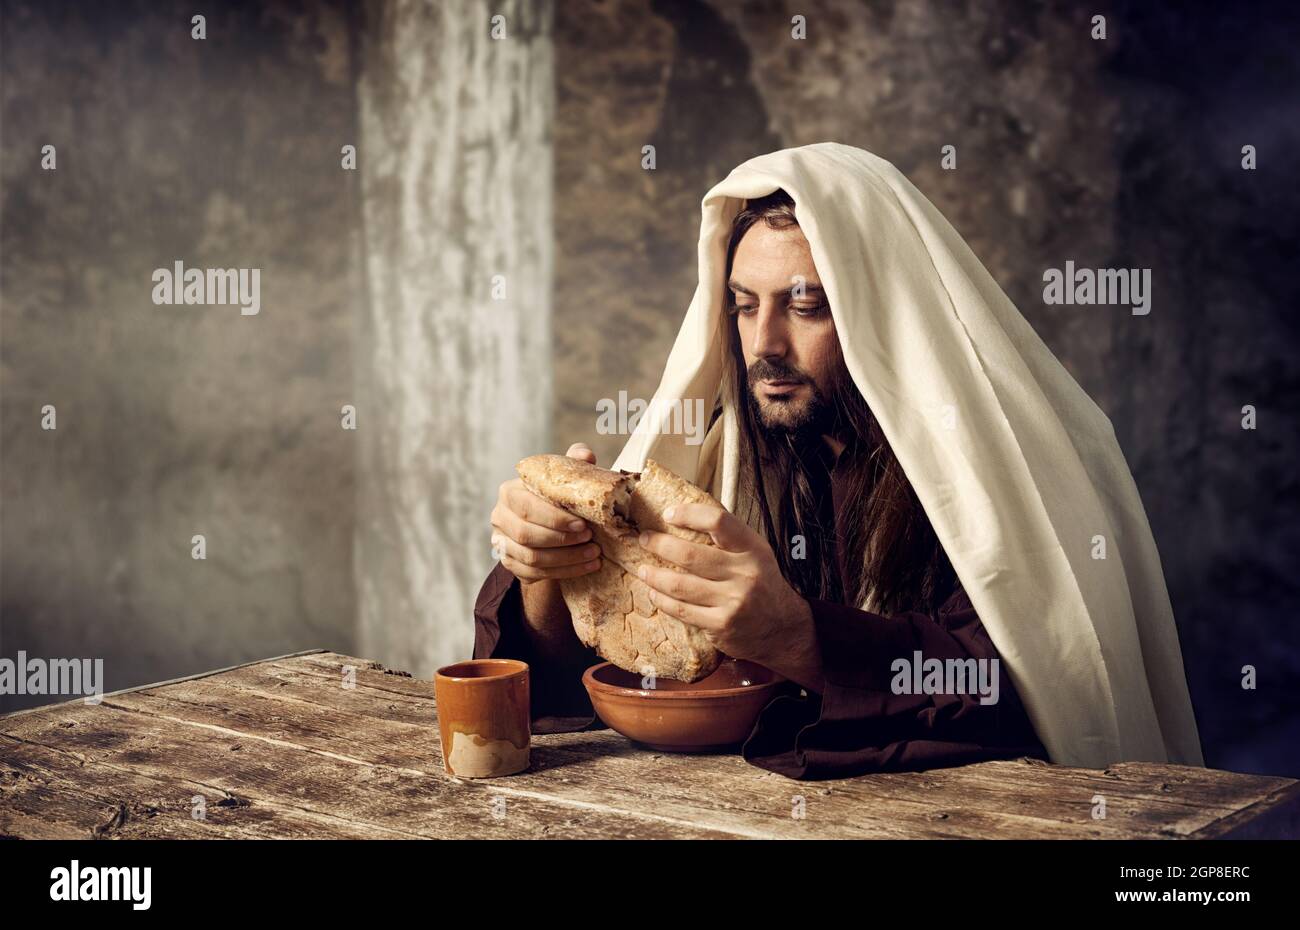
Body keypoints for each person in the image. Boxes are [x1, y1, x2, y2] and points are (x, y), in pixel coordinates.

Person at [476, 143, 1204, 779]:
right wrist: (550, 571)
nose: (764, 344)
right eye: (742, 304)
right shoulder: (722, 456)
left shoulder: (1009, 466)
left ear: (882, 315)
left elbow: (1031, 698)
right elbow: (586, 699)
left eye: (806, 307)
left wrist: (795, 636)